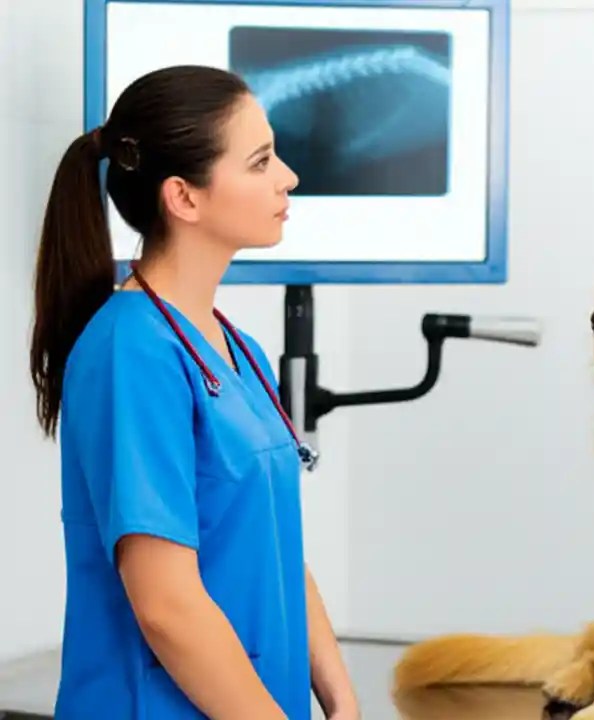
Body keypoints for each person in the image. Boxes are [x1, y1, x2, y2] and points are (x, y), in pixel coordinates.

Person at [29, 65, 358, 719]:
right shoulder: (132, 351)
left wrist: (341, 699)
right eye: (260, 162)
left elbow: (277, 549)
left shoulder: (240, 350)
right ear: (184, 197)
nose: (287, 178)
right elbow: (167, 605)